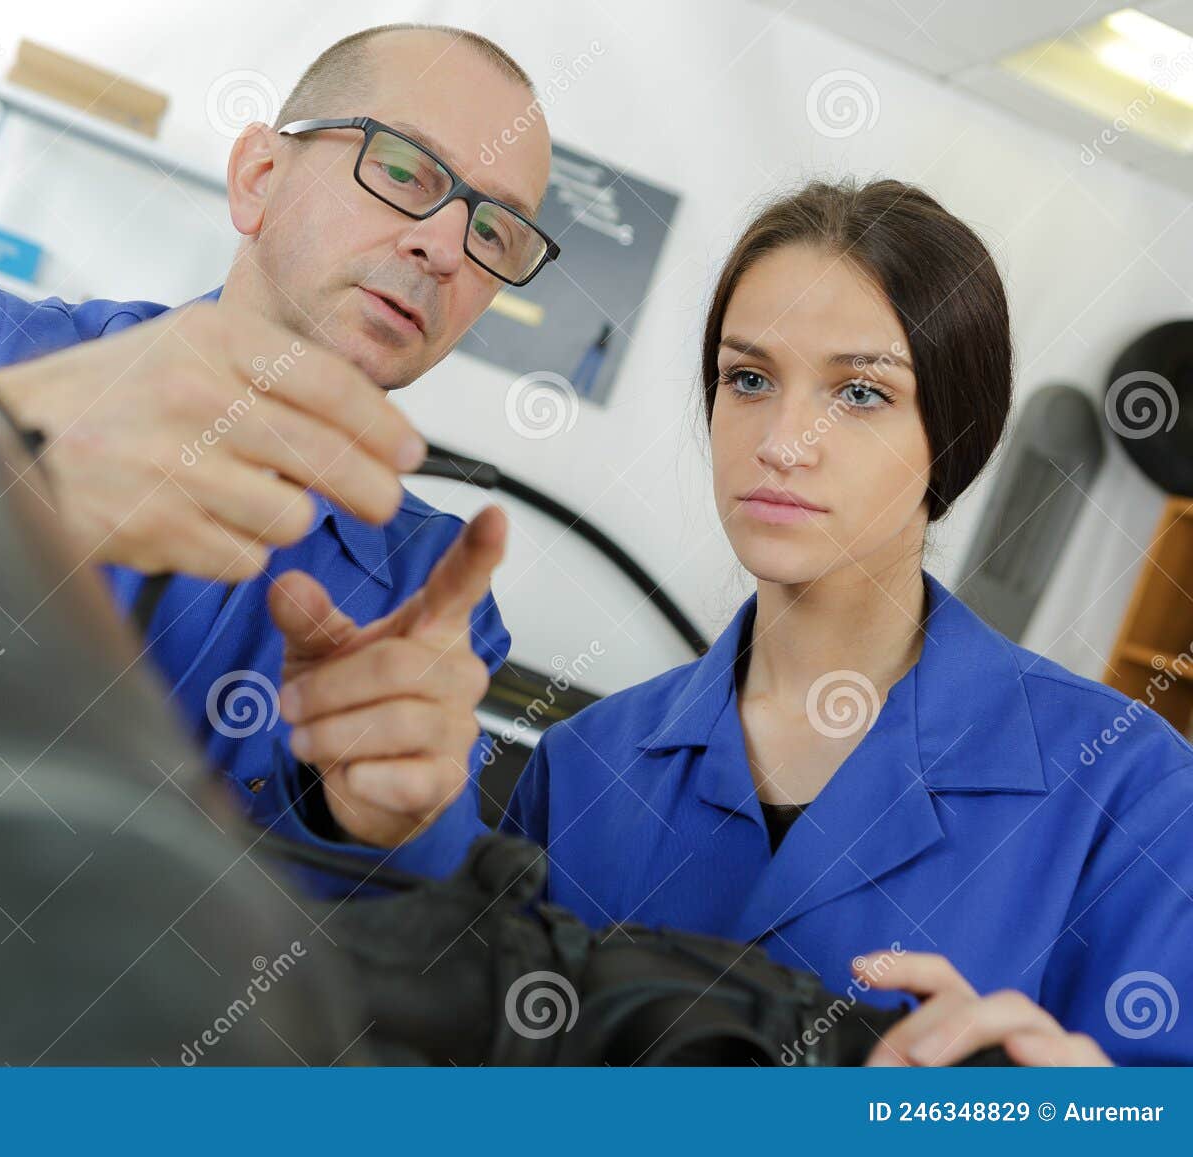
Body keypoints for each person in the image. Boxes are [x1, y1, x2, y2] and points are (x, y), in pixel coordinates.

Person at [353, 178, 1193, 1065]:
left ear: (956, 432)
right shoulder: (582, 768)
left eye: (861, 393)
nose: (782, 440)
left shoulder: (1130, 789)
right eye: (748, 378)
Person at [0, 24, 558, 872]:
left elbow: (410, 938)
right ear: (260, 178)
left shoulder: (430, 594)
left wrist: (367, 821)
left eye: (495, 233)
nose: (443, 248)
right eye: (402, 171)